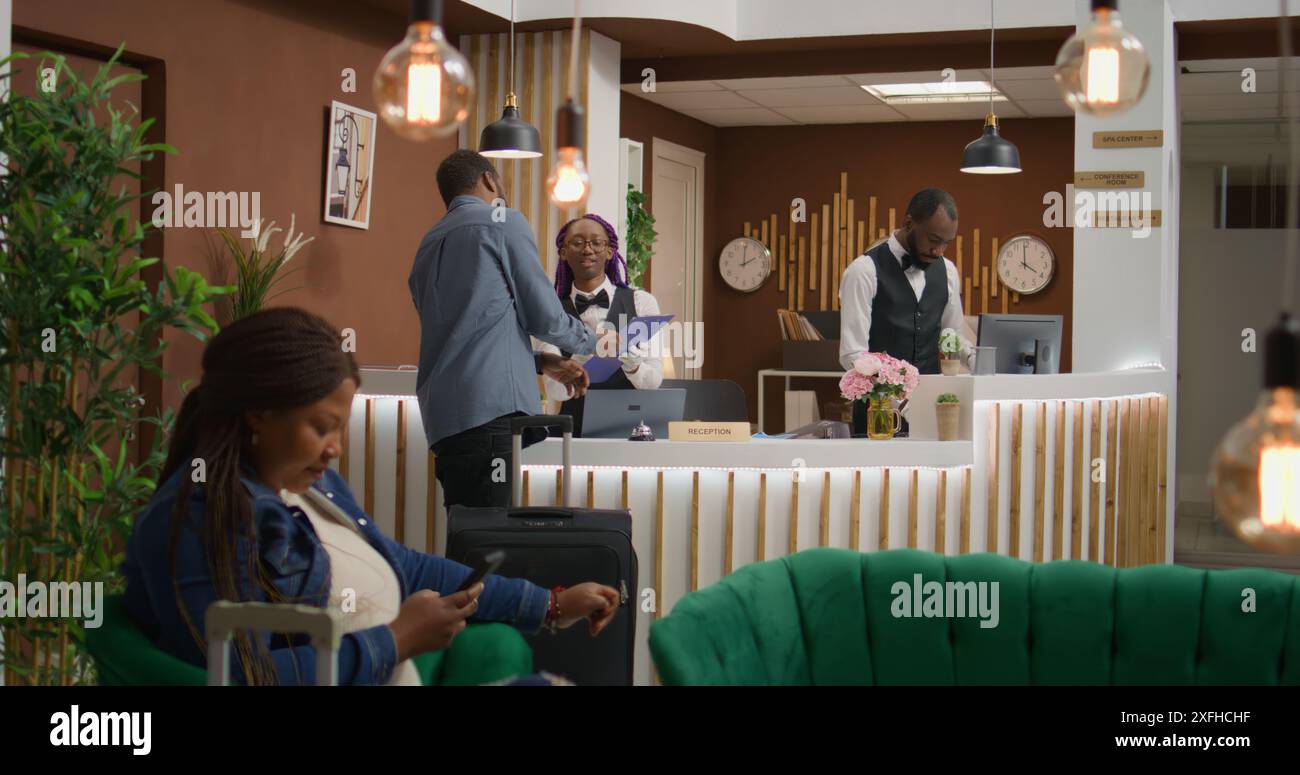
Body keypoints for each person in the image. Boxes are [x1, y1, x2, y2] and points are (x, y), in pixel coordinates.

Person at [122, 308, 620, 686]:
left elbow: (404, 566)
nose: (335, 449)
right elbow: (247, 675)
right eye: (321, 428)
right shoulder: (201, 516)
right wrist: (399, 638)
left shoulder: (312, 486)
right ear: (259, 413)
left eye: (339, 429)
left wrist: (548, 604)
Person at [409, 150, 611, 508]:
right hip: (489, 416)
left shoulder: (427, 243)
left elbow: (464, 333)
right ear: (489, 180)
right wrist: (593, 340)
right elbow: (543, 317)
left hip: (444, 422)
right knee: (491, 539)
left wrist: (539, 362)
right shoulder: (502, 221)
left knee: (468, 536)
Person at [839, 187, 974, 434]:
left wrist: (975, 360)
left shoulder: (949, 272)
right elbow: (852, 354)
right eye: (934, 240)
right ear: (908, 223)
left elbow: (951, 335)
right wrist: (898, 400)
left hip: (933, 412)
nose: (939, 251)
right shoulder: (863, 271)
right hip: (877, 416)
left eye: (946, 243)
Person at [538, 213, 664, 435]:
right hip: (574, 433)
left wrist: (631, 362)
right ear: (564, 253)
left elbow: (653, 381)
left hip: (632, 432)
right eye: (577, 243)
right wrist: (586, 349)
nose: (587, 249)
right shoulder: (549, 310)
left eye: (596, 242)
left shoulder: (641, 302)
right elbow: (556, 391)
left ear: (609, 251)